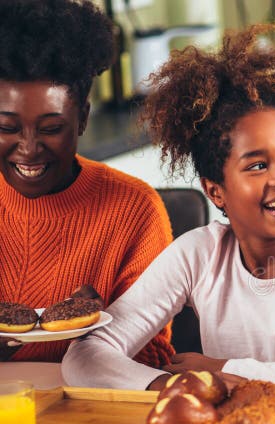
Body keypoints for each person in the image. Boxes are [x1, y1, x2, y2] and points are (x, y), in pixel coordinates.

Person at [62, 25, 275, 406]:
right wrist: (172, 387)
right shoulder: (198, 254)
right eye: (257, 166)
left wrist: (224, 370)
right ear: (215, 190)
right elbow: (86, 355)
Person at [0, 0, 173, 366]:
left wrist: (97, 335)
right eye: (6, 128)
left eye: (51, 128)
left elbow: (153, 357)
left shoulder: (135, 211)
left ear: (81, 119)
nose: (29, 149)